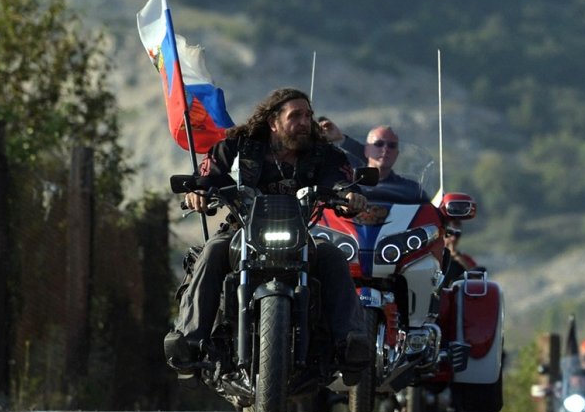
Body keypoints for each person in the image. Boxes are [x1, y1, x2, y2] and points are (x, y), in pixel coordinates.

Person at [163, 88, 370, 374]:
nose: (304, 122)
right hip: (243, 231)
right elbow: (210, 174)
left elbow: (339, 181)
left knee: (332, 255)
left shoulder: (323, 154)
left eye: (307, 116)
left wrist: (349, 197)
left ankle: (350, 340)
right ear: (274, 122)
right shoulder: (239, 145)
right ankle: (189, 337)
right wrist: (199, 191)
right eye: (295, 115)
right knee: (212, 250)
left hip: (300, 235)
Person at [363, 125, 428, 202]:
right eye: (379, 143)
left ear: (397, 154)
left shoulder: (412, 191)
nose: (385, 149)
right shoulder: (349, 185)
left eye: (392, 145)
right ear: (366, 150)